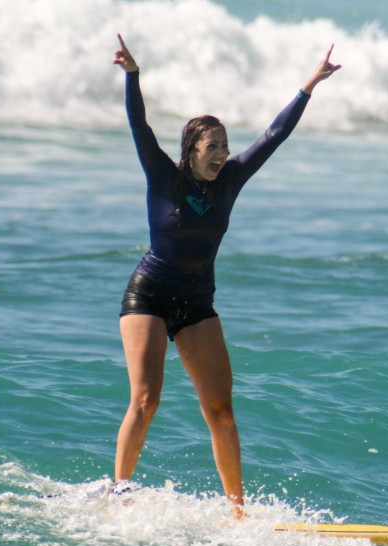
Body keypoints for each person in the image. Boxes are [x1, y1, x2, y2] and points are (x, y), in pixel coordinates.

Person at [111, 35, 340, 519]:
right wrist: (133, 76)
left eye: (225, 146)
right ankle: (119, 492)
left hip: (197, 302)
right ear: (192, 150)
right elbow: (139, 125)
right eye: (212, 146)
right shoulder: (163, 177)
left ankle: (237, 510)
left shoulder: (232, 178)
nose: (222, 153)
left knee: (221, 409)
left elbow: (274, 136)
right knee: (147, 399)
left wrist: (308, 86)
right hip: (149, 295)